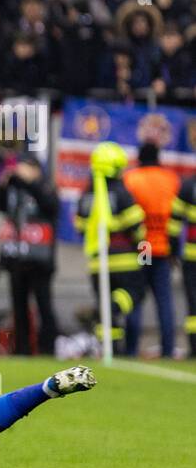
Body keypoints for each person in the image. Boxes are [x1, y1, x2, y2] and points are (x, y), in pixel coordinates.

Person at [73, 142, 147, 349]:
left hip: (98, 262)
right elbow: (137, 229)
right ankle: (110, 308)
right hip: (126, 261)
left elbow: (80, 229)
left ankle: (111, 348)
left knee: (105, 309)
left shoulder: (86, 196)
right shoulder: (122, 192)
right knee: (136, 292)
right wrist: (146, 258)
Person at [0, 154, 59, 355]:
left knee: (44, 305)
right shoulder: (14, 189)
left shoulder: (45, 186)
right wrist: (4, 184)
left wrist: (32, 183)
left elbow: (51, 206)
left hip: (40, 259)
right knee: (19, 308)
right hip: (17, 257)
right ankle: (22, 350)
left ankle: (49, 350)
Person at [123, 142, 180, 357]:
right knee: (164, 301)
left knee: (136, 298)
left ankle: (131, 348)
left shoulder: (132, 179)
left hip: (142, 247)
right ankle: (168, 349)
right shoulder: (170, 179)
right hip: (163, 247)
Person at [173, 175, 196, 357]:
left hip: (191, 256)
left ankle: (194, 348)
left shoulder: (189, 185)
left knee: (193, 304)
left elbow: (174, 220)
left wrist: (172, 251)